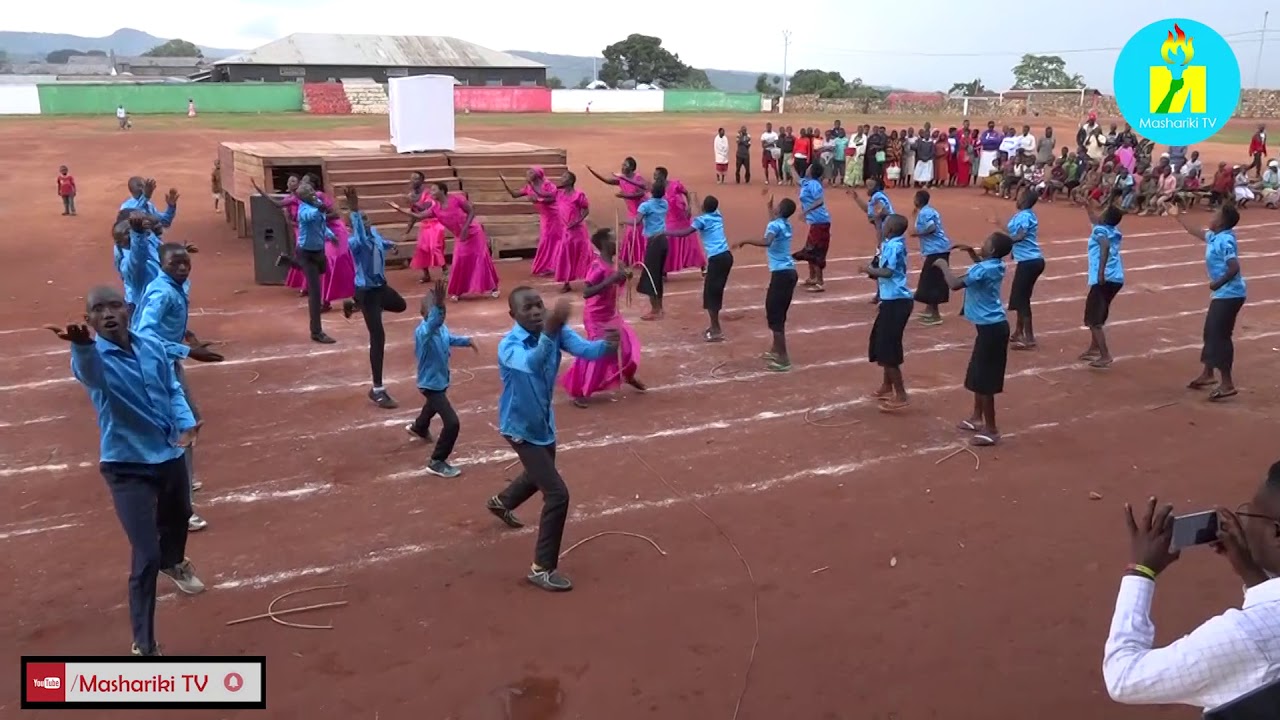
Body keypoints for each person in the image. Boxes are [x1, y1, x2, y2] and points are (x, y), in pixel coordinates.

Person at [49, 287, 206, 656]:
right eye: (97, 310)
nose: (107, 314)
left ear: (129, 309)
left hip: (168, 454)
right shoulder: (95, 358)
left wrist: (185, 423)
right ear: (88, 320)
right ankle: (144, 643)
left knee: (182, 514)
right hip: (125, 466)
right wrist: (82, 347)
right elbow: (88, 374)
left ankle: (175, 562)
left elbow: (171, 388)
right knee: (145, 555)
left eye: (114, 306)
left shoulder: (149, 345)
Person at [1102, 474, 1280, 710]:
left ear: (1276, 533)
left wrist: (1140, 570)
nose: (1243, 522)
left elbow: (1123, 678)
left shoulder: (1245, 636)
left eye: (1249, 514)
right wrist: (1253, 575)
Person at [485, 289, 619, 592]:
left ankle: (502, 502)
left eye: (538, 306)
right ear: (513, 316)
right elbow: (533, 363)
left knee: (538, 475)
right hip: (519, 428)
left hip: (543, 425)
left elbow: (586, 351)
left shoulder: (554, 330)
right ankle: (542, 568)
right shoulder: (509, 346)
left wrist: (608, 346)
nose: (535, 312)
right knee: (557, 494)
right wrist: (550, 330)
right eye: (527, 308)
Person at [132, 242, 224, 532]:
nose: (182, 268)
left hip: (166, 362)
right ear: (162, 265)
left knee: (189, 423)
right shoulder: (162, 292)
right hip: (155, 366)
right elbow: (144, 334)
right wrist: (189, 351)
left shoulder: (174, 285)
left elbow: (166, 323)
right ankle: (180, 507)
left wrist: (187, 335)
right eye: (175, 264)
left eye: (185, 263)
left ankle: (181, 482)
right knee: (182, 428)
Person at [935, 233, 1014, 446]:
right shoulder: (995, 265)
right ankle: (977, 417)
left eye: (986, 243)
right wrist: (971, 252)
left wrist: (943, 264)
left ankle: (992, 429)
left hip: (991, 331)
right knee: (978, 376)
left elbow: (954, 284)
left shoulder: (984, 269)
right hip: (991, 329)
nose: (983, 244)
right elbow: (982, 267)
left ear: (993, 251)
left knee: (985, 381)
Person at [561, 228, 646, 407]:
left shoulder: (617, 264)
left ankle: (628, 375)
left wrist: (625, 276)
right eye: (615, 240)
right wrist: (611, 280)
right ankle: (580, 391)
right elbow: (587, 292)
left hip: (612, 314)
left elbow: (619, 283)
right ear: (605, 244)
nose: (619, 242)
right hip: (596, 317)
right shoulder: (596, 266)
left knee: (628, 346)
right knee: (597, 353)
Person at [342, 187, 408, 409]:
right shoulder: (355, 243)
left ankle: (353, 303)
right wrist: (354, 210)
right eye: (361, 221)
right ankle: (377, 389)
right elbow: (361, 236)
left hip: (381, 288)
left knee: (401, 305)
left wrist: (393, 246)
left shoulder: (375, 234)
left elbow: (380, 242)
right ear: (354, 226)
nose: (366, 222)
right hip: (368, 293)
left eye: (367, 218)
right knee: (378, 338)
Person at [1174, 204, 1246, 402]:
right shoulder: (1215, 236)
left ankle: (1227, 383)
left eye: (1216, 214)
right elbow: (1195, 231)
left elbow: (1233, 267)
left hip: (1230, 294)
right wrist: (1177, 216)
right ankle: (1208, 373)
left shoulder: (1225, 241)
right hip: (1223, 294)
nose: (1212, 216)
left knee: (1220, 336)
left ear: (1222, 221)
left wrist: (1217, 283)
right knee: (1210, 332)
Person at [407, 279, 476, 478]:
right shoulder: (424, 332)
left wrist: (467, 341)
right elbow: (434, 322)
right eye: (439, 312)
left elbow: (449, 337)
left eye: (444, 311)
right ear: (425, 315)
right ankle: (437, 460)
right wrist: (438, 306)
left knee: (431, 406)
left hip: (439, 381)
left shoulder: (440, 329)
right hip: (431, 385)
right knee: (452, 423)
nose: (442, 316)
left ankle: (419, 427)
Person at [388, 182, 500, 301]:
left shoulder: (456, 199)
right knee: (459, 260)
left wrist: (466, 228)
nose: (431, 192)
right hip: (460, 236)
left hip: (474, 232)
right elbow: (419, 216)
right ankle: (457, 291)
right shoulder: (435, 208)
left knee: (480, 259)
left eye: (434, 190)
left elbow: (471, 211)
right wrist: (398, 209)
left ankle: (493, 288)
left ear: (442, 191)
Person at [735, 197, 798, 373]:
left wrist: (746, 240)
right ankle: (775, 350)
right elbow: (774, 225)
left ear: (780, 211)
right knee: (779, 313)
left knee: (775, 315)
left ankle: (783, 359)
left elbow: (768, 241)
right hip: (789, 273)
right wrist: (769, 208)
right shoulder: (785, 225)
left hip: (781, 275)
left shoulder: (775, 226)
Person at [861, 214, 912, 411]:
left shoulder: (892, 246)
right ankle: (887, 385)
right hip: (892, 300)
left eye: (885, 225)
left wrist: (868, 270)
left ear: (890, 230)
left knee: (888, 346)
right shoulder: (893, 243)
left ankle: (901, 394)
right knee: (880, 342)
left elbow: (888, 272)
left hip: (896, 302)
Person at [668, 195, 733, 342]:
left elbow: (685, 232)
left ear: (704, 208)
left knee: (711, 294)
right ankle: (714, 327)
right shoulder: (717, 216)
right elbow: (705, 212)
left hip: (717, 259)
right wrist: (699, 205)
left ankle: (716, 330)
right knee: (715, 292)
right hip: (726, 257)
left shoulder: (701, 221)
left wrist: (666, 232)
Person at [998, 190, 1046, 350]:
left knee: (1022, 299)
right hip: (1030, 260)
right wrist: (999, 225)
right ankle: (1019, 331)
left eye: (1019, 196)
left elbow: (1020, 235)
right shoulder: (1026, 214)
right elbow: (1014, 232)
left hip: (1029, 261)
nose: (1016, 198)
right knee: (1020, 296)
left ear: (1025, 199)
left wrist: (1005, 241)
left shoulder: (1024, 216)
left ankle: (1029, 337)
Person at [1081, 202, 1125, 369]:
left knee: (1093, 319)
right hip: (1115, 279)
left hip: (1104, 279)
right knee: (1100, 313)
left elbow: (1104, 245)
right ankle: (1094, 348)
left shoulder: (1100, 231)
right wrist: (1087, 206)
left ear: (1105, 218)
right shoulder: (1112, 230)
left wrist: (1100, 272)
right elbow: (1094, 219)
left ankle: (1105, 355)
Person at [293, 182, 337, 344]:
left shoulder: (317, 204)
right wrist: (320, 210)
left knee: (324, 271)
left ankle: (292, 263)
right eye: (308, 193)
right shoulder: (304, 209)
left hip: (319, 252)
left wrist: (331, 235)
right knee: (315, 292)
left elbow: (321, 224)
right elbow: (311, 217)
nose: (312, 193)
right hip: (307, 253)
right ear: (302, 197)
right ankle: (316, 332)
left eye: (312, 190)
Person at [624, 179, 670, 321]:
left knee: (651, 275)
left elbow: (636, 221)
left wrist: (623, 222)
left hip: (654, 242)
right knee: (657, 275)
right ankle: (659, 308)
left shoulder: (645, 206)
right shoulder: (664, 203)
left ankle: (655, 310)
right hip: (663, 240)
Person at [501, 168, 559, 277]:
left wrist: (537, 199)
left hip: (555, 215)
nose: (528, 174)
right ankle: (549, 265)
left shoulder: (548, 185)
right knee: (547, 241)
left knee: (553, 240)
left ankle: (553, 266)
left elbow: (551, 197)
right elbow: (515, 194)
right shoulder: (529, 187)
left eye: (531, 172)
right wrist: (505, 184)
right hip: (545, 217)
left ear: (537, 174)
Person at [588, 159, 647, 266]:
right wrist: (593, 172)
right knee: (631, 234)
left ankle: (641, 259)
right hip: (632, 211)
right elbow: (607, 180)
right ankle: (633, 259)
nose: (622, 166)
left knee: (637, 234)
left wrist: (624, 195)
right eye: (623, 164)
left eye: (625, 165)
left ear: (631, 168)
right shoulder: (621, 179)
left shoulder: (637, 178)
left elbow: (641, 194)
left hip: (641, 211)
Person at [908, 190, 951, 326]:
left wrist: (918, 233)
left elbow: (931, 227)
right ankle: (929, 309)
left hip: (937, 250)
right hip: (937, 249)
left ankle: (935, 314)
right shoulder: (925, 211)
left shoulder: (925, 213)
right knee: (930, 280)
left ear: (918, 200)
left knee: (932, 281)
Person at [655, 167, 704, 275]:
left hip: (682, 218)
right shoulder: (657, 188)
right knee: (668, 244)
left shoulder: (675, 185)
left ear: (663, 176)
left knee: (691, 243)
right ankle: (664, 270)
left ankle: (703, 266)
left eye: (656, 175)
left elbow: (687, 193)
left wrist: (689, 207)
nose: (654, 177)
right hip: (669, 219)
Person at [793, 163, 832, 292]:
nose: (807, 168)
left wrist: (806, 211)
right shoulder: (807, 182)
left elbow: (819, 201)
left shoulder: (814, 184)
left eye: (809, 167)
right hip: (815, 222)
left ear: (812, 171)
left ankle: (819, 281)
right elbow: (797, 180)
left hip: (820, 222)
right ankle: (812, 277)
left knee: (816, 250)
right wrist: (791, 166)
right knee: (811, 248)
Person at [552, 171, 593, 292]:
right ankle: (566, 282)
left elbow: (586, 211)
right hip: (566, 231)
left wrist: (576, 221)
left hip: (578, 231)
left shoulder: (578, 195)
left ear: (571, 181)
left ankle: (589, 280)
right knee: (566, 256)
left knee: (584, 255)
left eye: (564, 177)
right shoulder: (559, 194)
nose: (561, 178)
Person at [404, 171, 447, 283]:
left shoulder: (428, 193)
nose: (413, 181)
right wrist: (407, 230)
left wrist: (412, 203)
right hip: (425, 224)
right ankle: (426, 274)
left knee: (435, 247)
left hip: (435, 223)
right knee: (422, 249)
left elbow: (425, 207)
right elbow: (414, 215)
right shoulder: (411, 196)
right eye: (412, 178)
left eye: (416, 179)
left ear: (422, 181)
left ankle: (445, 271)